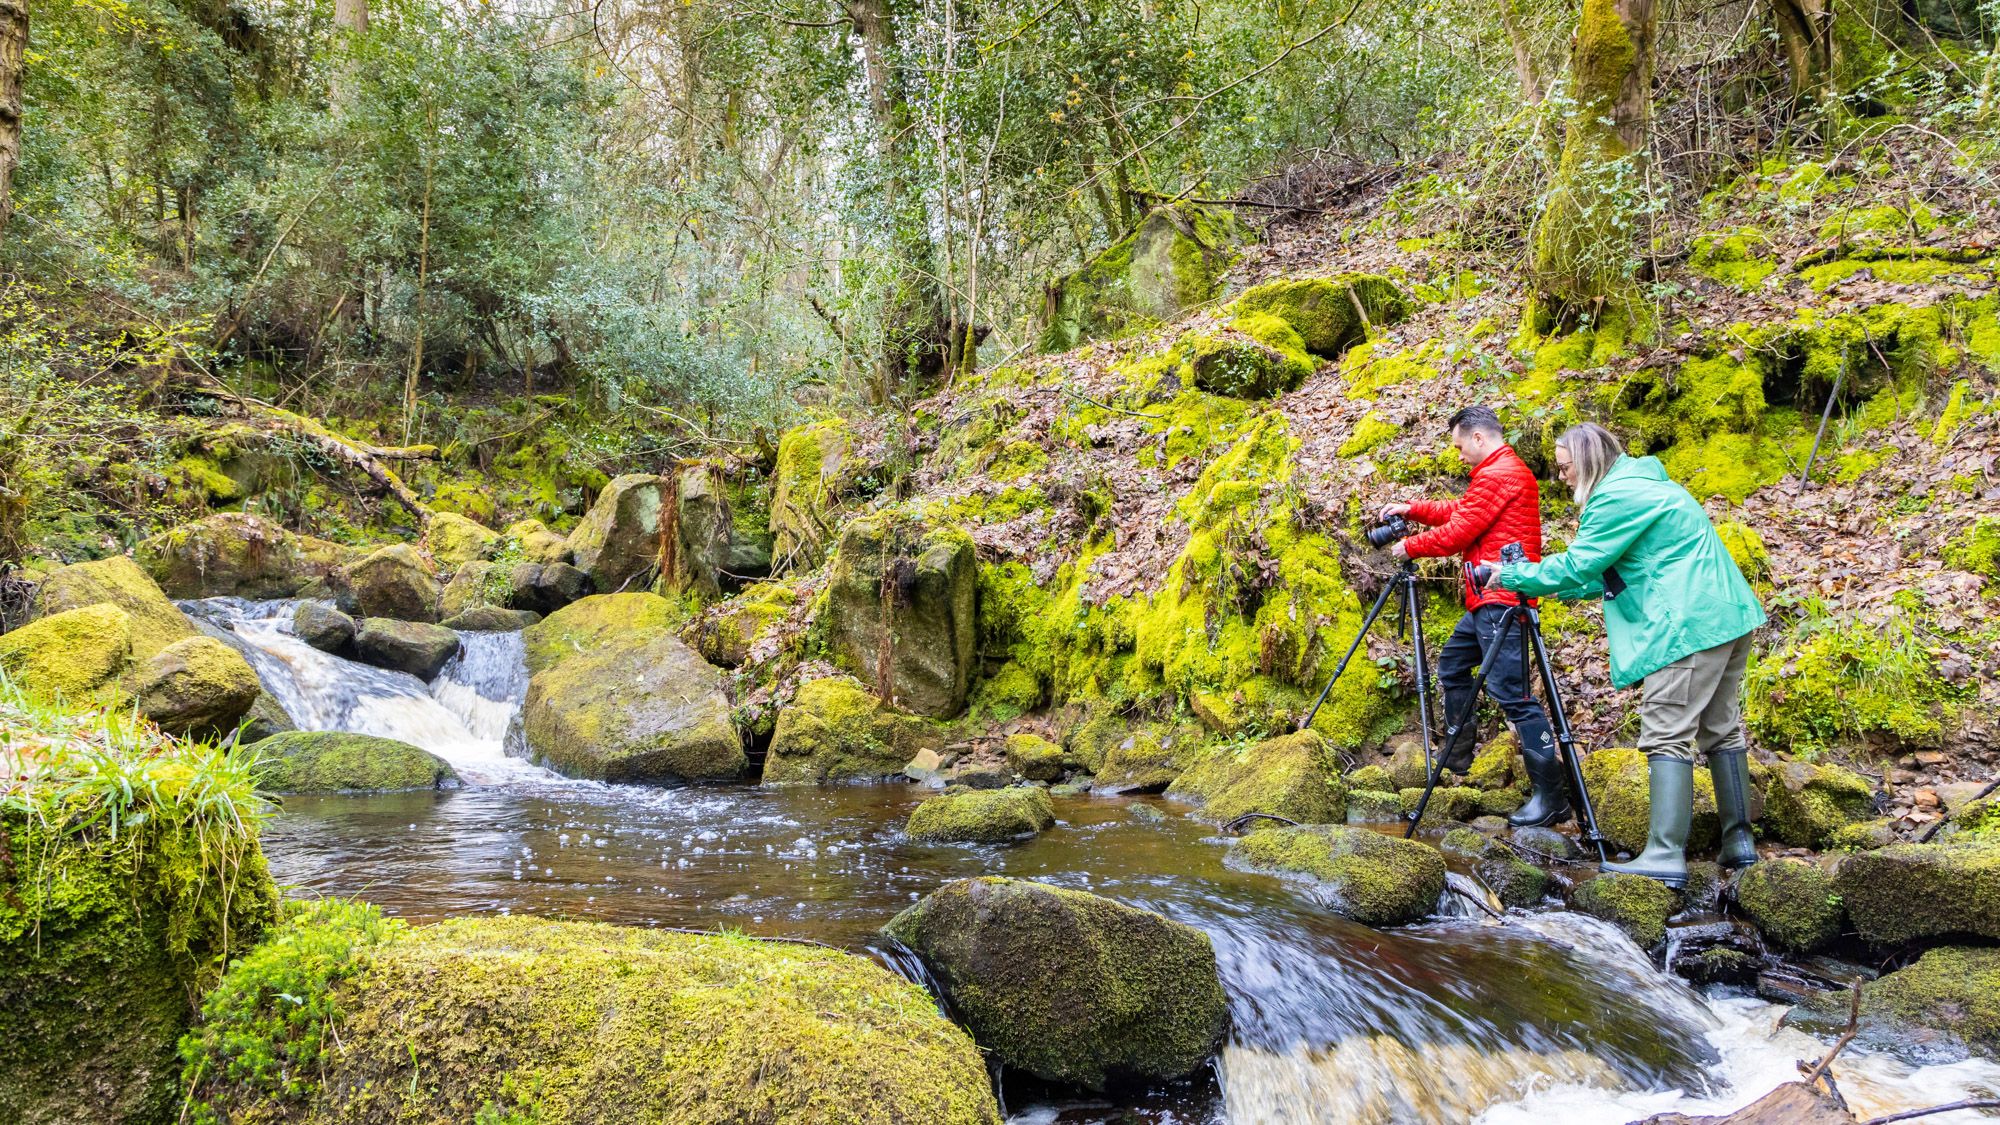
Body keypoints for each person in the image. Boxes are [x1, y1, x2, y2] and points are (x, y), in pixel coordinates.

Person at [1487, 422, 1766, 886]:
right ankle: (1739, 844)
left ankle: (1663, 854)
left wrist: (1517, 576)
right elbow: (1625, 566)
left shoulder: (1614, 497)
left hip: (1686, 625)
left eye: (1565, 467)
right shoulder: (1645, 484)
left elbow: (1581, 561)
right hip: (1725, 616)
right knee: (1719, 728)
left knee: (1666, 731)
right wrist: (1562, 587)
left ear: (1588, 459)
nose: (1562, 478)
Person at [1378, 405, 1568, 828]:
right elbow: (1459, 511)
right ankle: (1459, 759)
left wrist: (1410, 547)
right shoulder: (1497, 474)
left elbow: (1458, 534)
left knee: (1514, 697)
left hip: (1503, 599)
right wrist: (1411, 509)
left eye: (1461, 446)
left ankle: (1551, 795)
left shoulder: (1501, 474)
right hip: (1487, 600)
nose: (1460, 455)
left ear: (1479, 438)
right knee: (1452, 664)